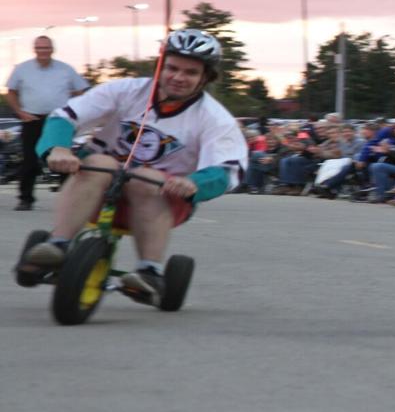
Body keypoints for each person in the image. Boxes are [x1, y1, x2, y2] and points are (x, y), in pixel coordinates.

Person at [20, 30, 245, 305]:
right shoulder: (124, 91)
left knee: (144, 177)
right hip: (98, 189)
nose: (178, 77)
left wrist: (196, 183)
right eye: (172, 68)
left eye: (191, 72)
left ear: (205, 78)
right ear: (160, 66)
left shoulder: (214, 118)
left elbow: (230, 167)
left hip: (165, 197)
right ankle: (58, 244)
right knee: (98, 162)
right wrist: (58, 148)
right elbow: (66, 116)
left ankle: (150, 270)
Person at [6, 36, 90, 211]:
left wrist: (73, 111)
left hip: (57, 121)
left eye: (46, 48)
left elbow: (82, 91)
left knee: (62, 159)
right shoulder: (22, 69)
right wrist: (20, 112)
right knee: (29, 161)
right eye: (39, 48)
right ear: (34, 49)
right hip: (31, 120)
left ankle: (69, 199)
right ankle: (25, 199)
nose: (43, 51)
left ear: (52, 49)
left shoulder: (65, 69)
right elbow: (11, 92)